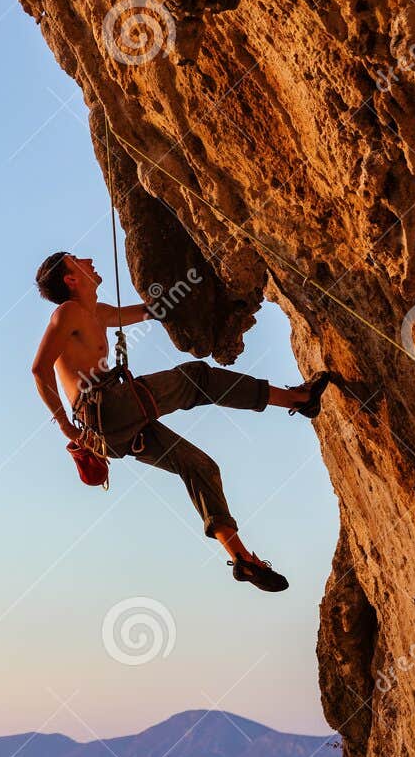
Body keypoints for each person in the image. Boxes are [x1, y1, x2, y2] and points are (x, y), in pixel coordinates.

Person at [29, 250, 331, 592]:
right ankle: (299, 399)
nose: (88, 260)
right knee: (196, 380)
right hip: (105, 407)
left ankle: (243, 560)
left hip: (111, 428)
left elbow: (151, 311)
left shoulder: (96, 313)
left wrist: (186, 286)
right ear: (70, 279)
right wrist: (67, 428)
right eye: (76, 261)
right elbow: (39, 370)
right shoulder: (67, 313)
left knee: (199, 466)